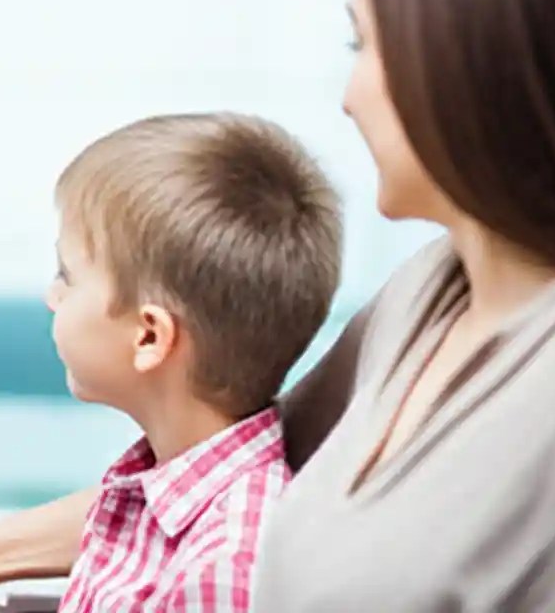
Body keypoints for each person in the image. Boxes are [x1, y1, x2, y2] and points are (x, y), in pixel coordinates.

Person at [252, 0, 555, 609]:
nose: (348, 98)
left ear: (477, 66)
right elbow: (221, 474)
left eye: (363, 45)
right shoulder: (427, 290)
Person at [46, 113, 341, 611]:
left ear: (148, 335)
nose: (51, 296)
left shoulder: (223, 574)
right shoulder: (164, 497)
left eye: (66, 276)